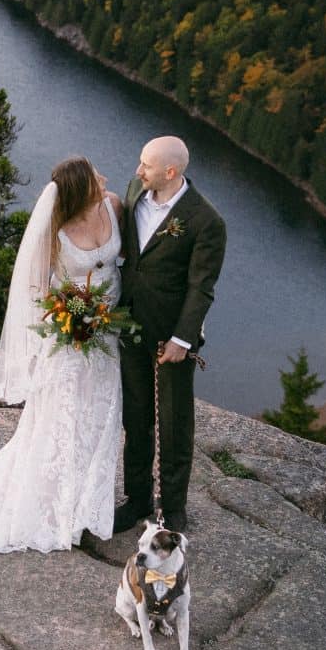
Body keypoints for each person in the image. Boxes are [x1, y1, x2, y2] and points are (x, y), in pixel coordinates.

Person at [0, 156, 126, 553]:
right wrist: (71, 318)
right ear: (79, 190)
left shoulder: (115, 206)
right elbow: (36, 290)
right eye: (94, 176)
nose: (103, 178)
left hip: (109, 336)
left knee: (101, 416)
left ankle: (88, 502)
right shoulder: (55, 232)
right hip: (71, 340)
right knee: (64, 417)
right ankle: (54, 505)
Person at [115, 136, 226, 534]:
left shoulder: (205, 220)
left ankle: (173, 508)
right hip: (128, 326)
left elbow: (202, 287)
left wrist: (182, 340)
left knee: (175, 423)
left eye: (145, 165)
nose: (137, 171)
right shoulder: (135, 192)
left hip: (170, 339)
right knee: (136, 416)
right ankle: (137, 499)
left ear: (171, 172)